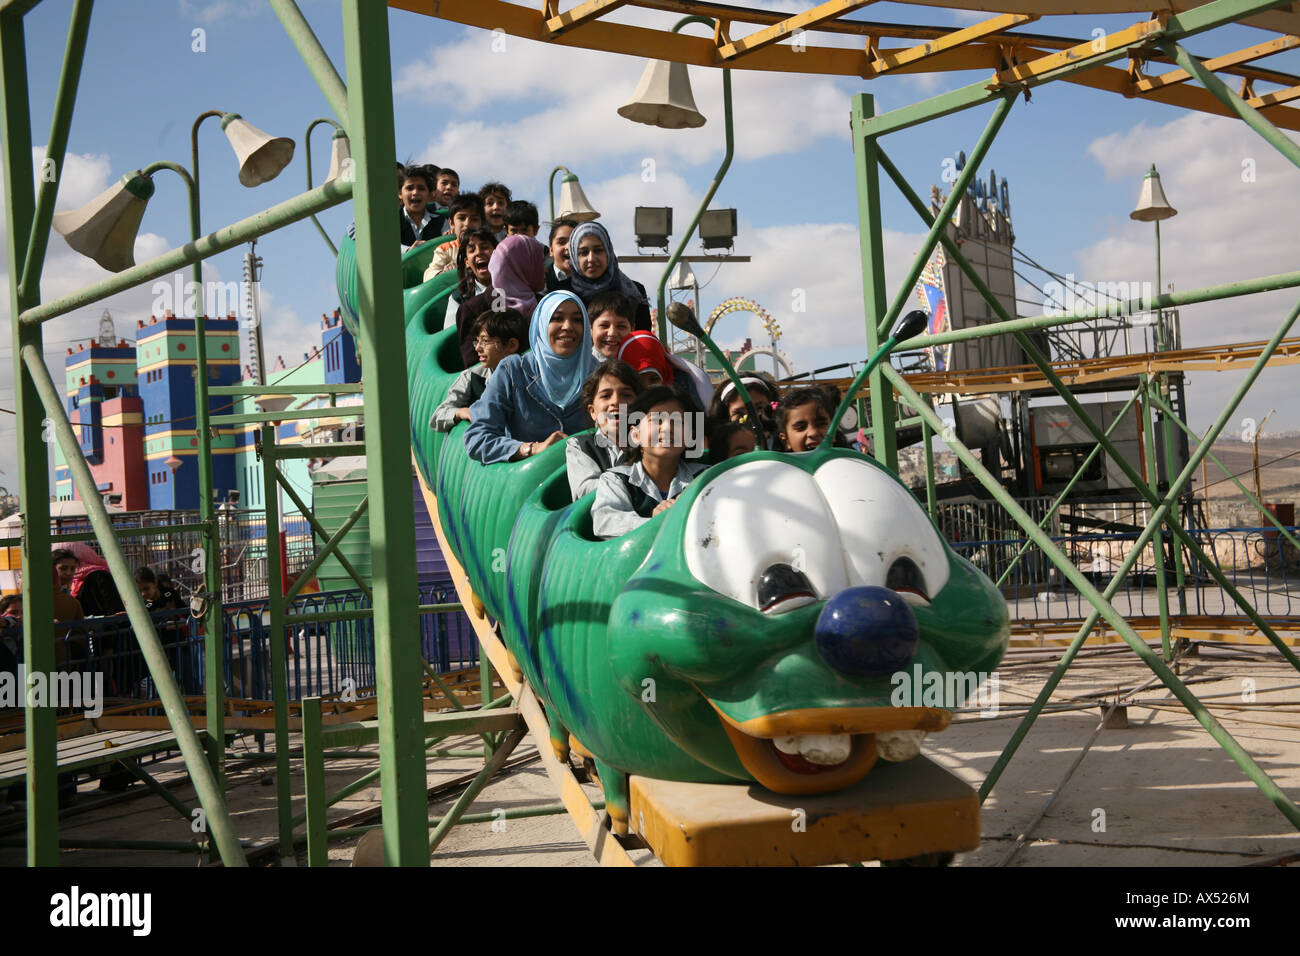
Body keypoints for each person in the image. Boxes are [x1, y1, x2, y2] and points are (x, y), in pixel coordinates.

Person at [465, 291, 597, 464]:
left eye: (577, 320)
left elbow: (626, 436)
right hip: (530, 485)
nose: (568, 326)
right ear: (541, 323)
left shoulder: (602, 375)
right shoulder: (512, 371)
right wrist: (532, 449)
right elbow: (477, 438)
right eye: (556, 318)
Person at [591, 386, 708, 539]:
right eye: (657, 420)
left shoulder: (705, 477)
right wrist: (654, 522)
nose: (667, 428)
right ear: (635, 435)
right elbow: (606, 523)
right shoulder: (615, 480)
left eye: (678, 422)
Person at [454, 233, 544, 368]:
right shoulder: (472, 310)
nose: (545, 270)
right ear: (520, 267)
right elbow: (475, 367)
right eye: (537, 263)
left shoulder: (543, 304)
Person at [432, 310, 526, 431]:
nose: (477, 348)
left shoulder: (533, 373)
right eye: (477, 341)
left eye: (485, 341)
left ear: (511, 345)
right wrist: (461, 412)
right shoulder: (472, 377)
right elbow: (437, 416)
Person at [566, 360, 642, 500]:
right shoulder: (579, 446)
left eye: (626, 395)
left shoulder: (650, 442)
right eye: (606, 396)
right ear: (593, 411)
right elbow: (585, 491)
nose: (616, 402)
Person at [562, 221, 652, 331]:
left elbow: (642, 338)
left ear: (608, 252)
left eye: (598, 250)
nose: (591, 258)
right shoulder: (563, 293)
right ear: (575, 257)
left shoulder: (634, 291)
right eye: (583, 252)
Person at [442, 227, 499, 341]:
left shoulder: (512, 287)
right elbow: (453, 340)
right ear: (467, 262)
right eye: (472, 250)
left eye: (484, 247)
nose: (479, 252)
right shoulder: (458, 299)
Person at [424, 193, 486, 279]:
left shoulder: (488, 249)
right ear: (452, 223)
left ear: (482, 224)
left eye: (474, 219)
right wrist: (442, 273)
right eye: (462, 218)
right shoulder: (445, 249)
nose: (467, 224)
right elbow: (429, 275)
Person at [398, 163, 443, 250]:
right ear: (400, 193)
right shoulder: (391, 222)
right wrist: (408, 250)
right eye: (410, 188)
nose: (415, 192)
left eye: (421, 188)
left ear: (430, 195)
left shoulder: (441, 222)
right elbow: (386, 245)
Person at [777, 387, 834, 452]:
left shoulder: (846, 461)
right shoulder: (774, 462)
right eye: (801, 427)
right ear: (786, 441)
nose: (813, 433)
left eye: (821, 424)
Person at [588, 291, 634, 361]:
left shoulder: (641, 369)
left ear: (632, 330)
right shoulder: (579, 367)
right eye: (604, 325)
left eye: (621, 326)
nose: (612, 333)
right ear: (590, 328)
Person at [544, 218, 577, 292]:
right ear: (551, 250)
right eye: (562, 242)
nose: (568, 247)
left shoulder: (592, 283)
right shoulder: (540, 282)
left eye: (574, 242)